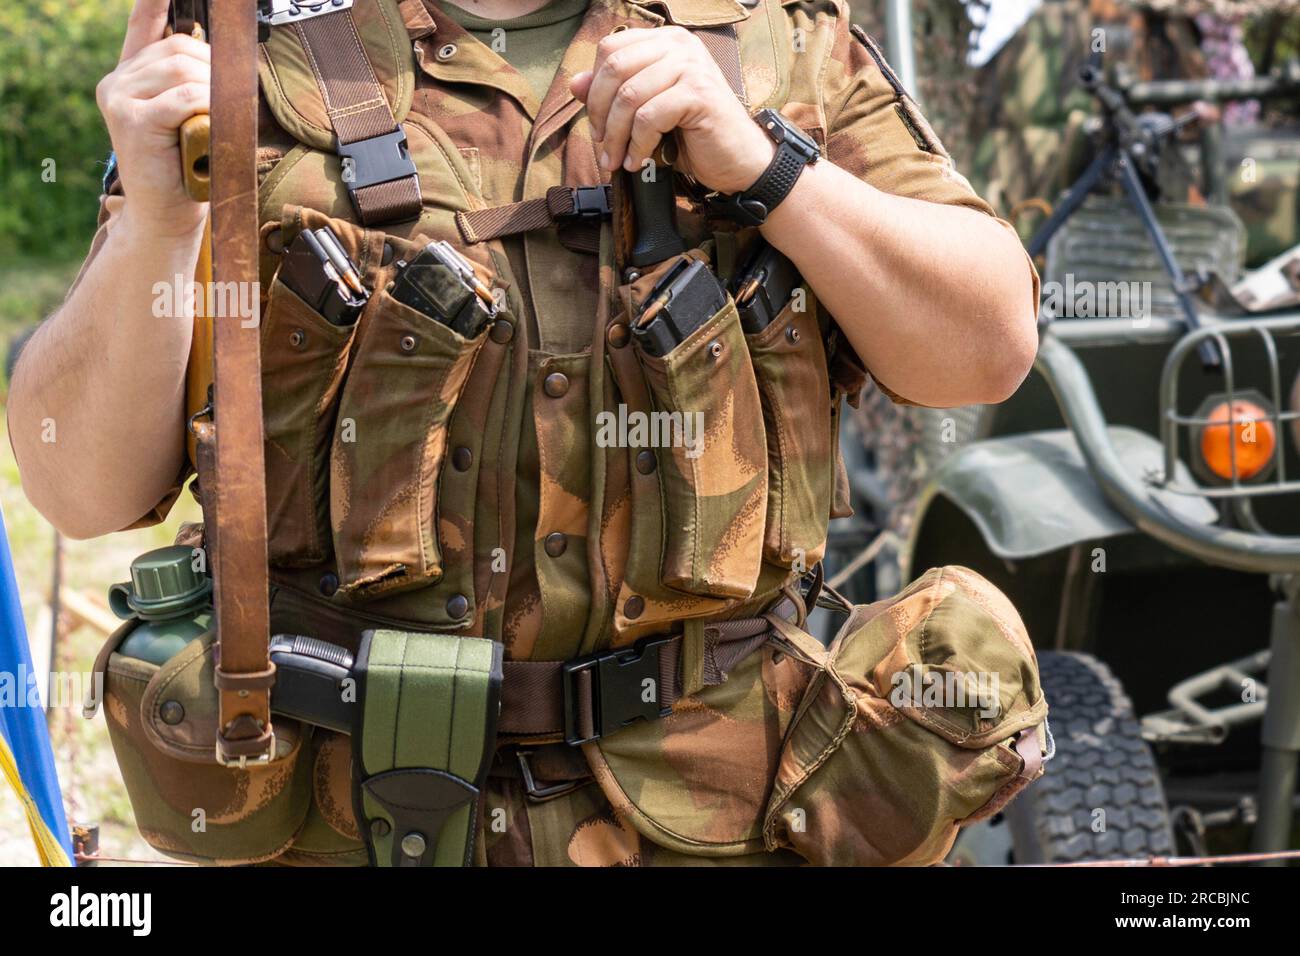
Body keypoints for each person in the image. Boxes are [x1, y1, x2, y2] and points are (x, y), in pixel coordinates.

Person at [8, 0, 1040, 866]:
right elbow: (78, 486)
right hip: (345, 811)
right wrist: (156, 219)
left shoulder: (763, 41)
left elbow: (984, 348)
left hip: (718, 807)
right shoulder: (250, 47)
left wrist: (770, 171)